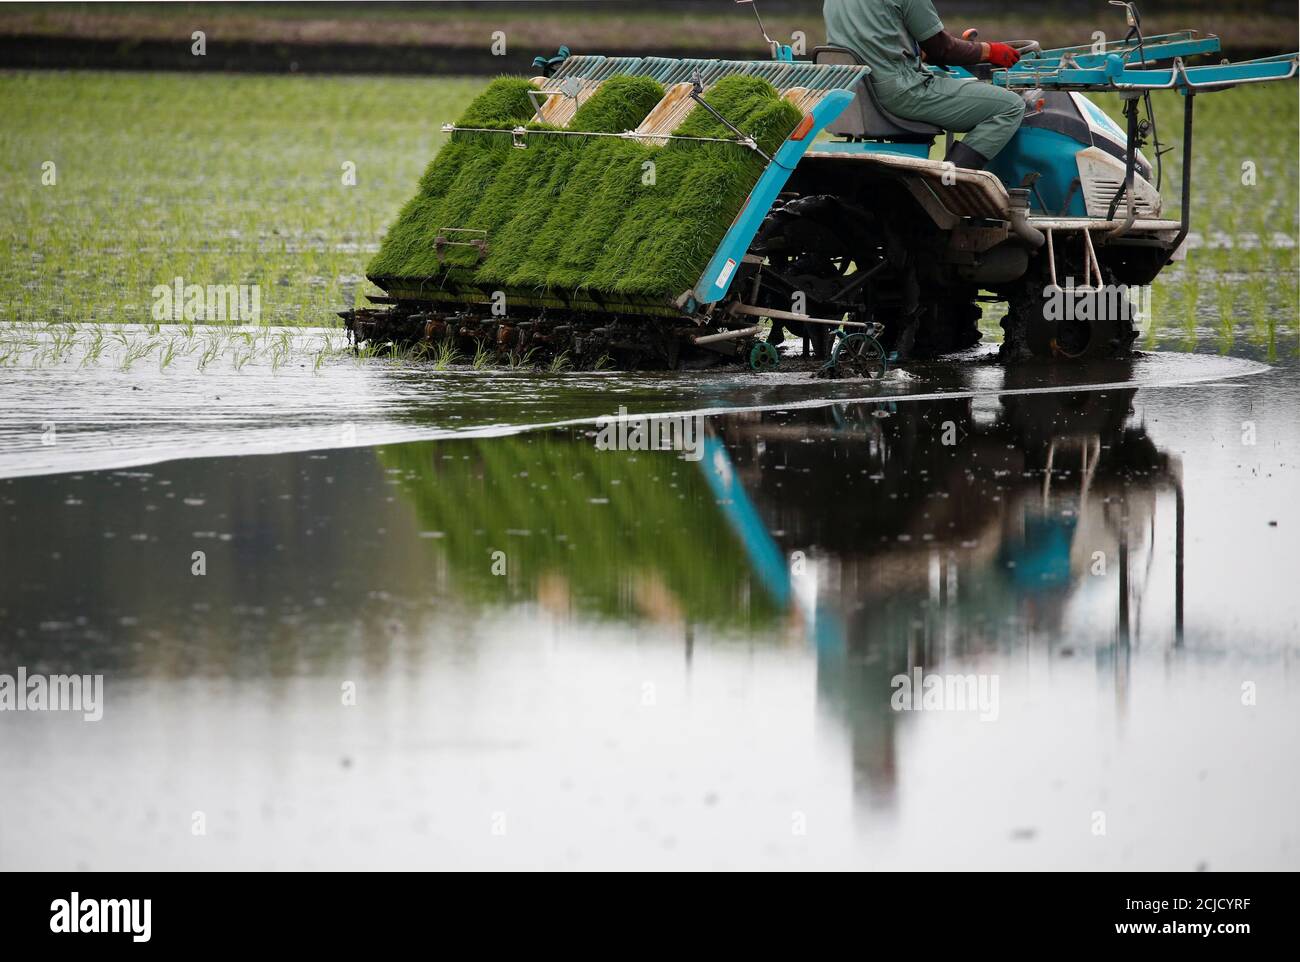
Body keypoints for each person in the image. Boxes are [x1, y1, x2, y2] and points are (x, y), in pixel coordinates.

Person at [824, 0, 1026, 169]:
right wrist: (990, 51)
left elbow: (871, 40)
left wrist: (918, 53)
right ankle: (951, 187)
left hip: (857, 90)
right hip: (901, 91)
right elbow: (943, 49)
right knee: (1010, 106)